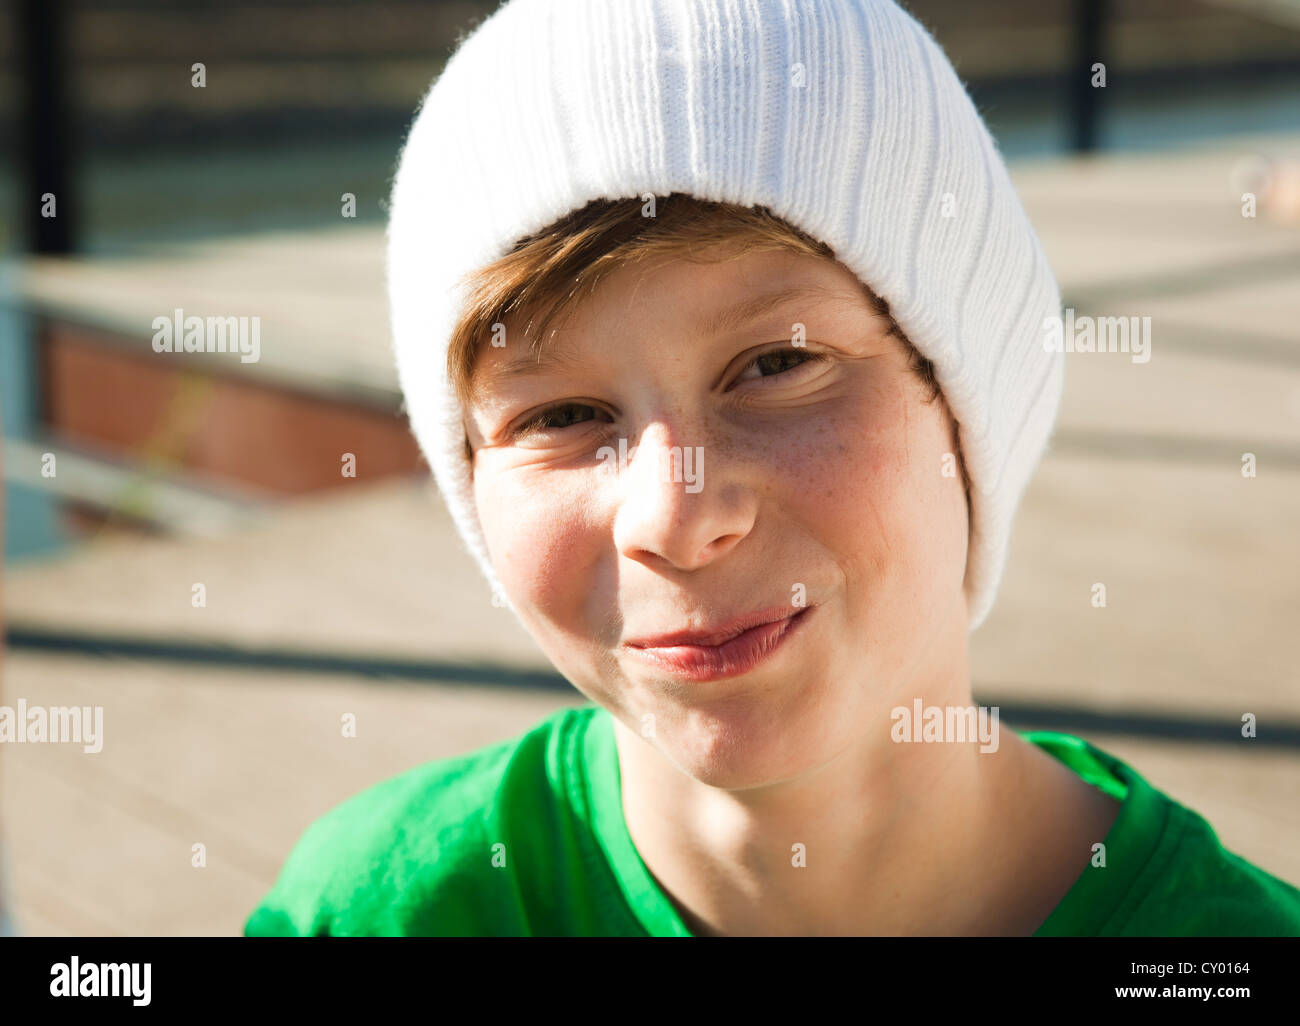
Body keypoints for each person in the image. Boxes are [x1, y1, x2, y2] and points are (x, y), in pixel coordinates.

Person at [244, 0, 1300, 936]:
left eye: (780, 363)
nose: (674, 513)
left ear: (970, 395)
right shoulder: (378, 910)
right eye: (562, 413)